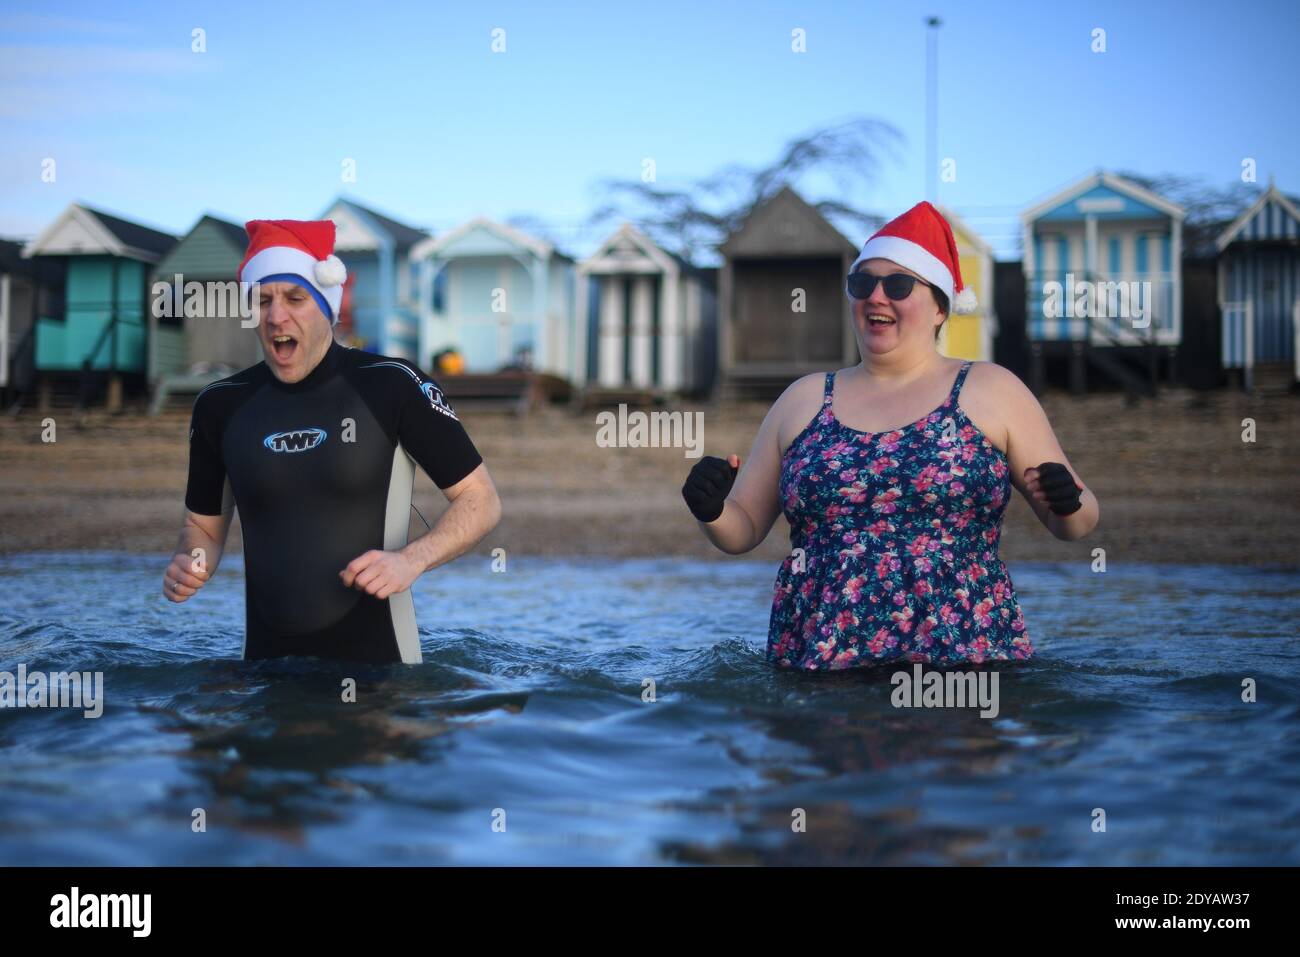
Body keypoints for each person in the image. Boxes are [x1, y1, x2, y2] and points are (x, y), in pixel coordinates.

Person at [682, 201, 1098, 670]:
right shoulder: (802, 399)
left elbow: (1079, 523)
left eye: (898, 284)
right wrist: (711, 509)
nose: (876, 297)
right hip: (820, 662)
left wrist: (1067, 502)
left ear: (940, 306)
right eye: (862, 283)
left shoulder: (992, 389)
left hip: (961, 664)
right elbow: (743, 531)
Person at [161, 219, 501, 664]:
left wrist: (411, 560)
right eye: (262, 300)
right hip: (267, 679)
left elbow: (481, 501)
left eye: (295, 298)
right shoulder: (221, 406)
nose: (276, 315)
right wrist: (193, 562)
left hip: (382, 678)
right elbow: (202, 528)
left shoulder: (390, 386)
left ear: (327, 304)